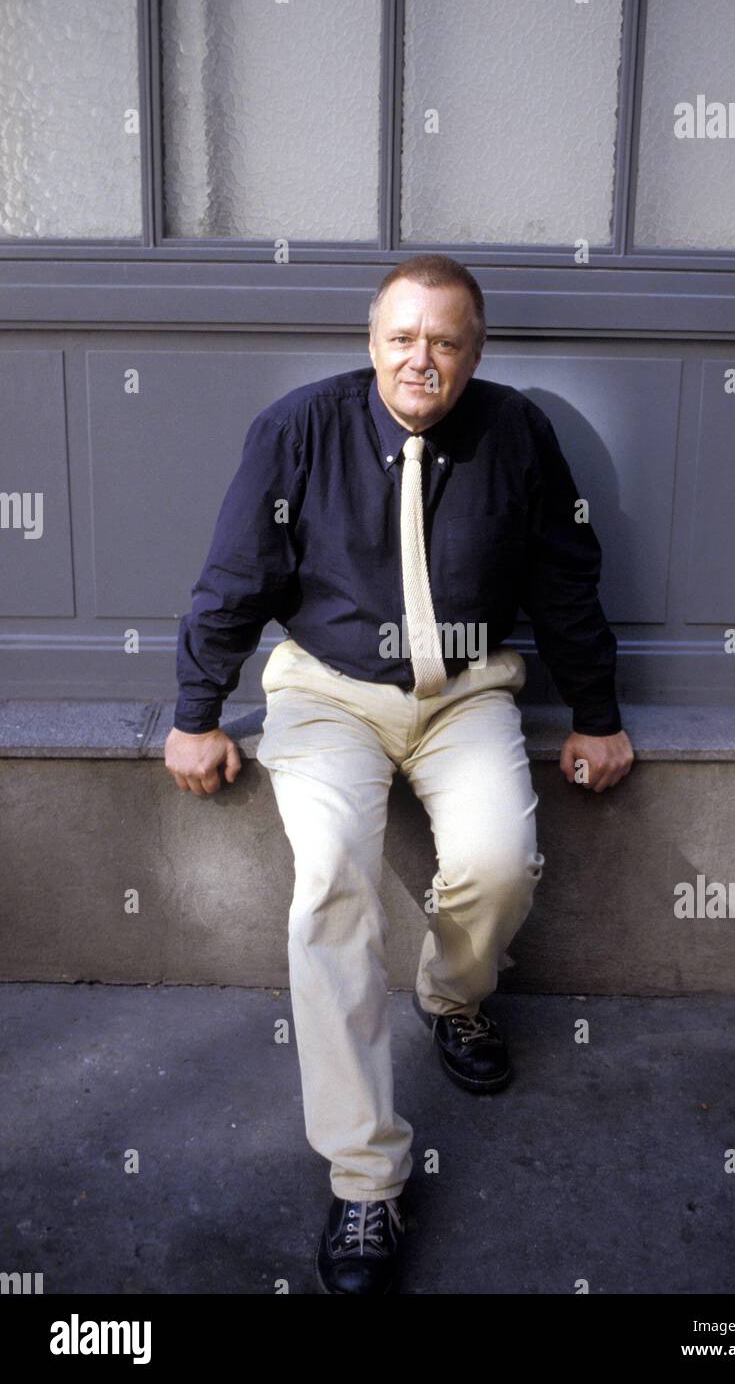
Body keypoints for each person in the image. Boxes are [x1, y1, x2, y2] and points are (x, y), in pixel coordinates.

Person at [164, 253, 633, 1294]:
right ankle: (367, 1180)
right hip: (329, 692)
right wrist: (195, 713)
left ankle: (452, 998)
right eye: (402, 337)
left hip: (463, 692)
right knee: (330, 878)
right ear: (372, 341)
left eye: (446, 339)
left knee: (501, 861)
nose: (422, 357)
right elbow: (236, 573)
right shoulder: (299, 429)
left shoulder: (515, 434)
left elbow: (563, 576)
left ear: (474, 350)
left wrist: (596, 715)